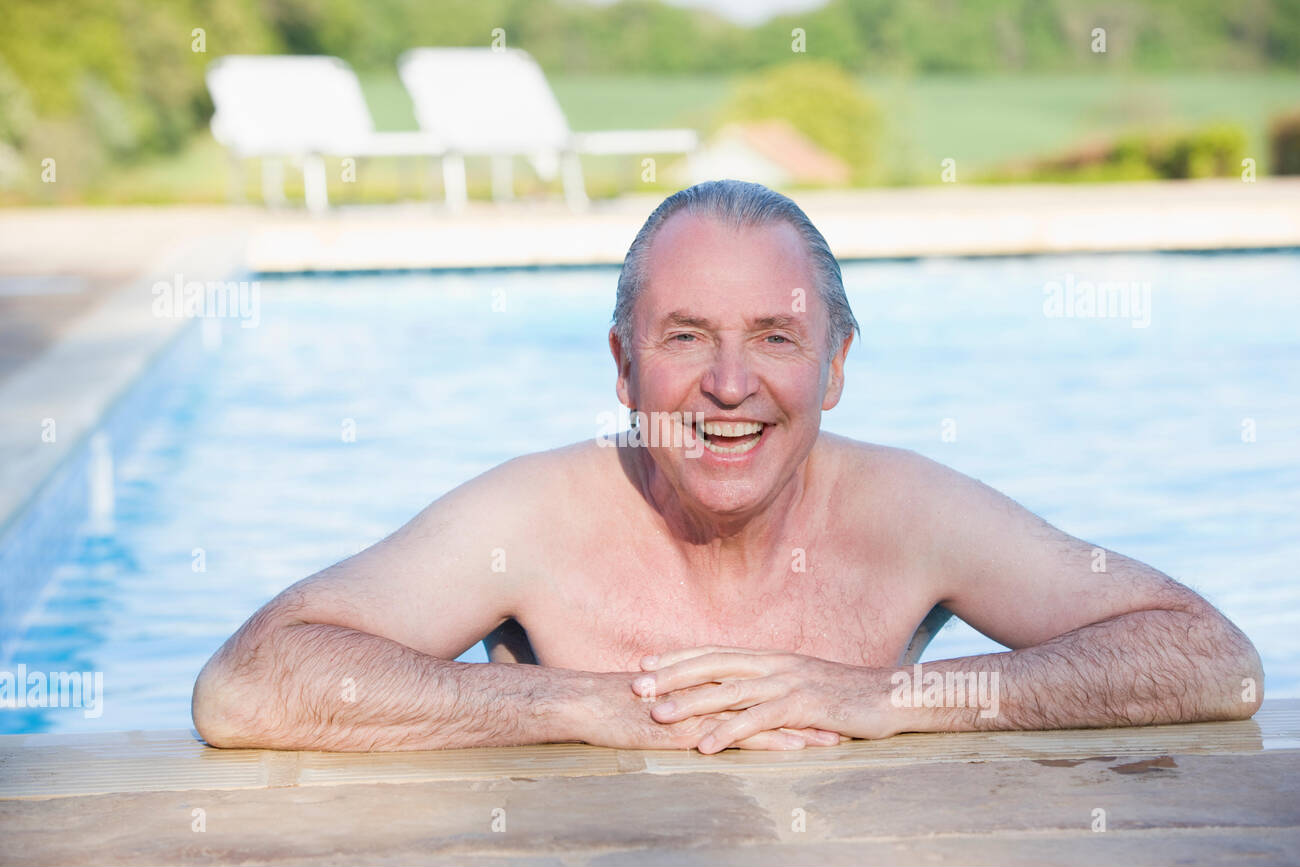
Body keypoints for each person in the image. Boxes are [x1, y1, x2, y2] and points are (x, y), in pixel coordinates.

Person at [191, 179, 1263, 753]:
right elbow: (245, 688)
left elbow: (1214, 661)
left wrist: (886, 698)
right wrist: (582, 707)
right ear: (623, 364)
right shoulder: (535, 513)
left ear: (835, 366)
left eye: (776, 337)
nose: (730, 384)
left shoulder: (910, 513)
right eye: (686, 335)